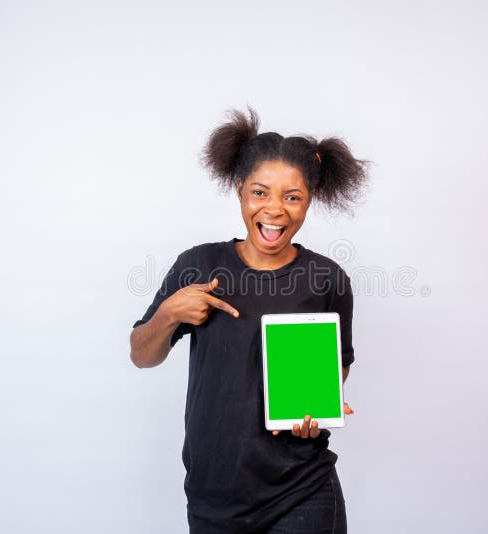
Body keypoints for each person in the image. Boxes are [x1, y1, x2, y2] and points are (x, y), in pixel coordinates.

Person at [129, 107, 369, 533]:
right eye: (260, 192)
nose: (275, 209)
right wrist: (169, 313)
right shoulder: (198, 265)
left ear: (309, 202)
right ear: (240, 190)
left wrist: (316, 412)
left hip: (301, 490)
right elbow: (141, 356)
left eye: (292, 197)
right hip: (212, 492)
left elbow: (336, 371)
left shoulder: (327, 278)